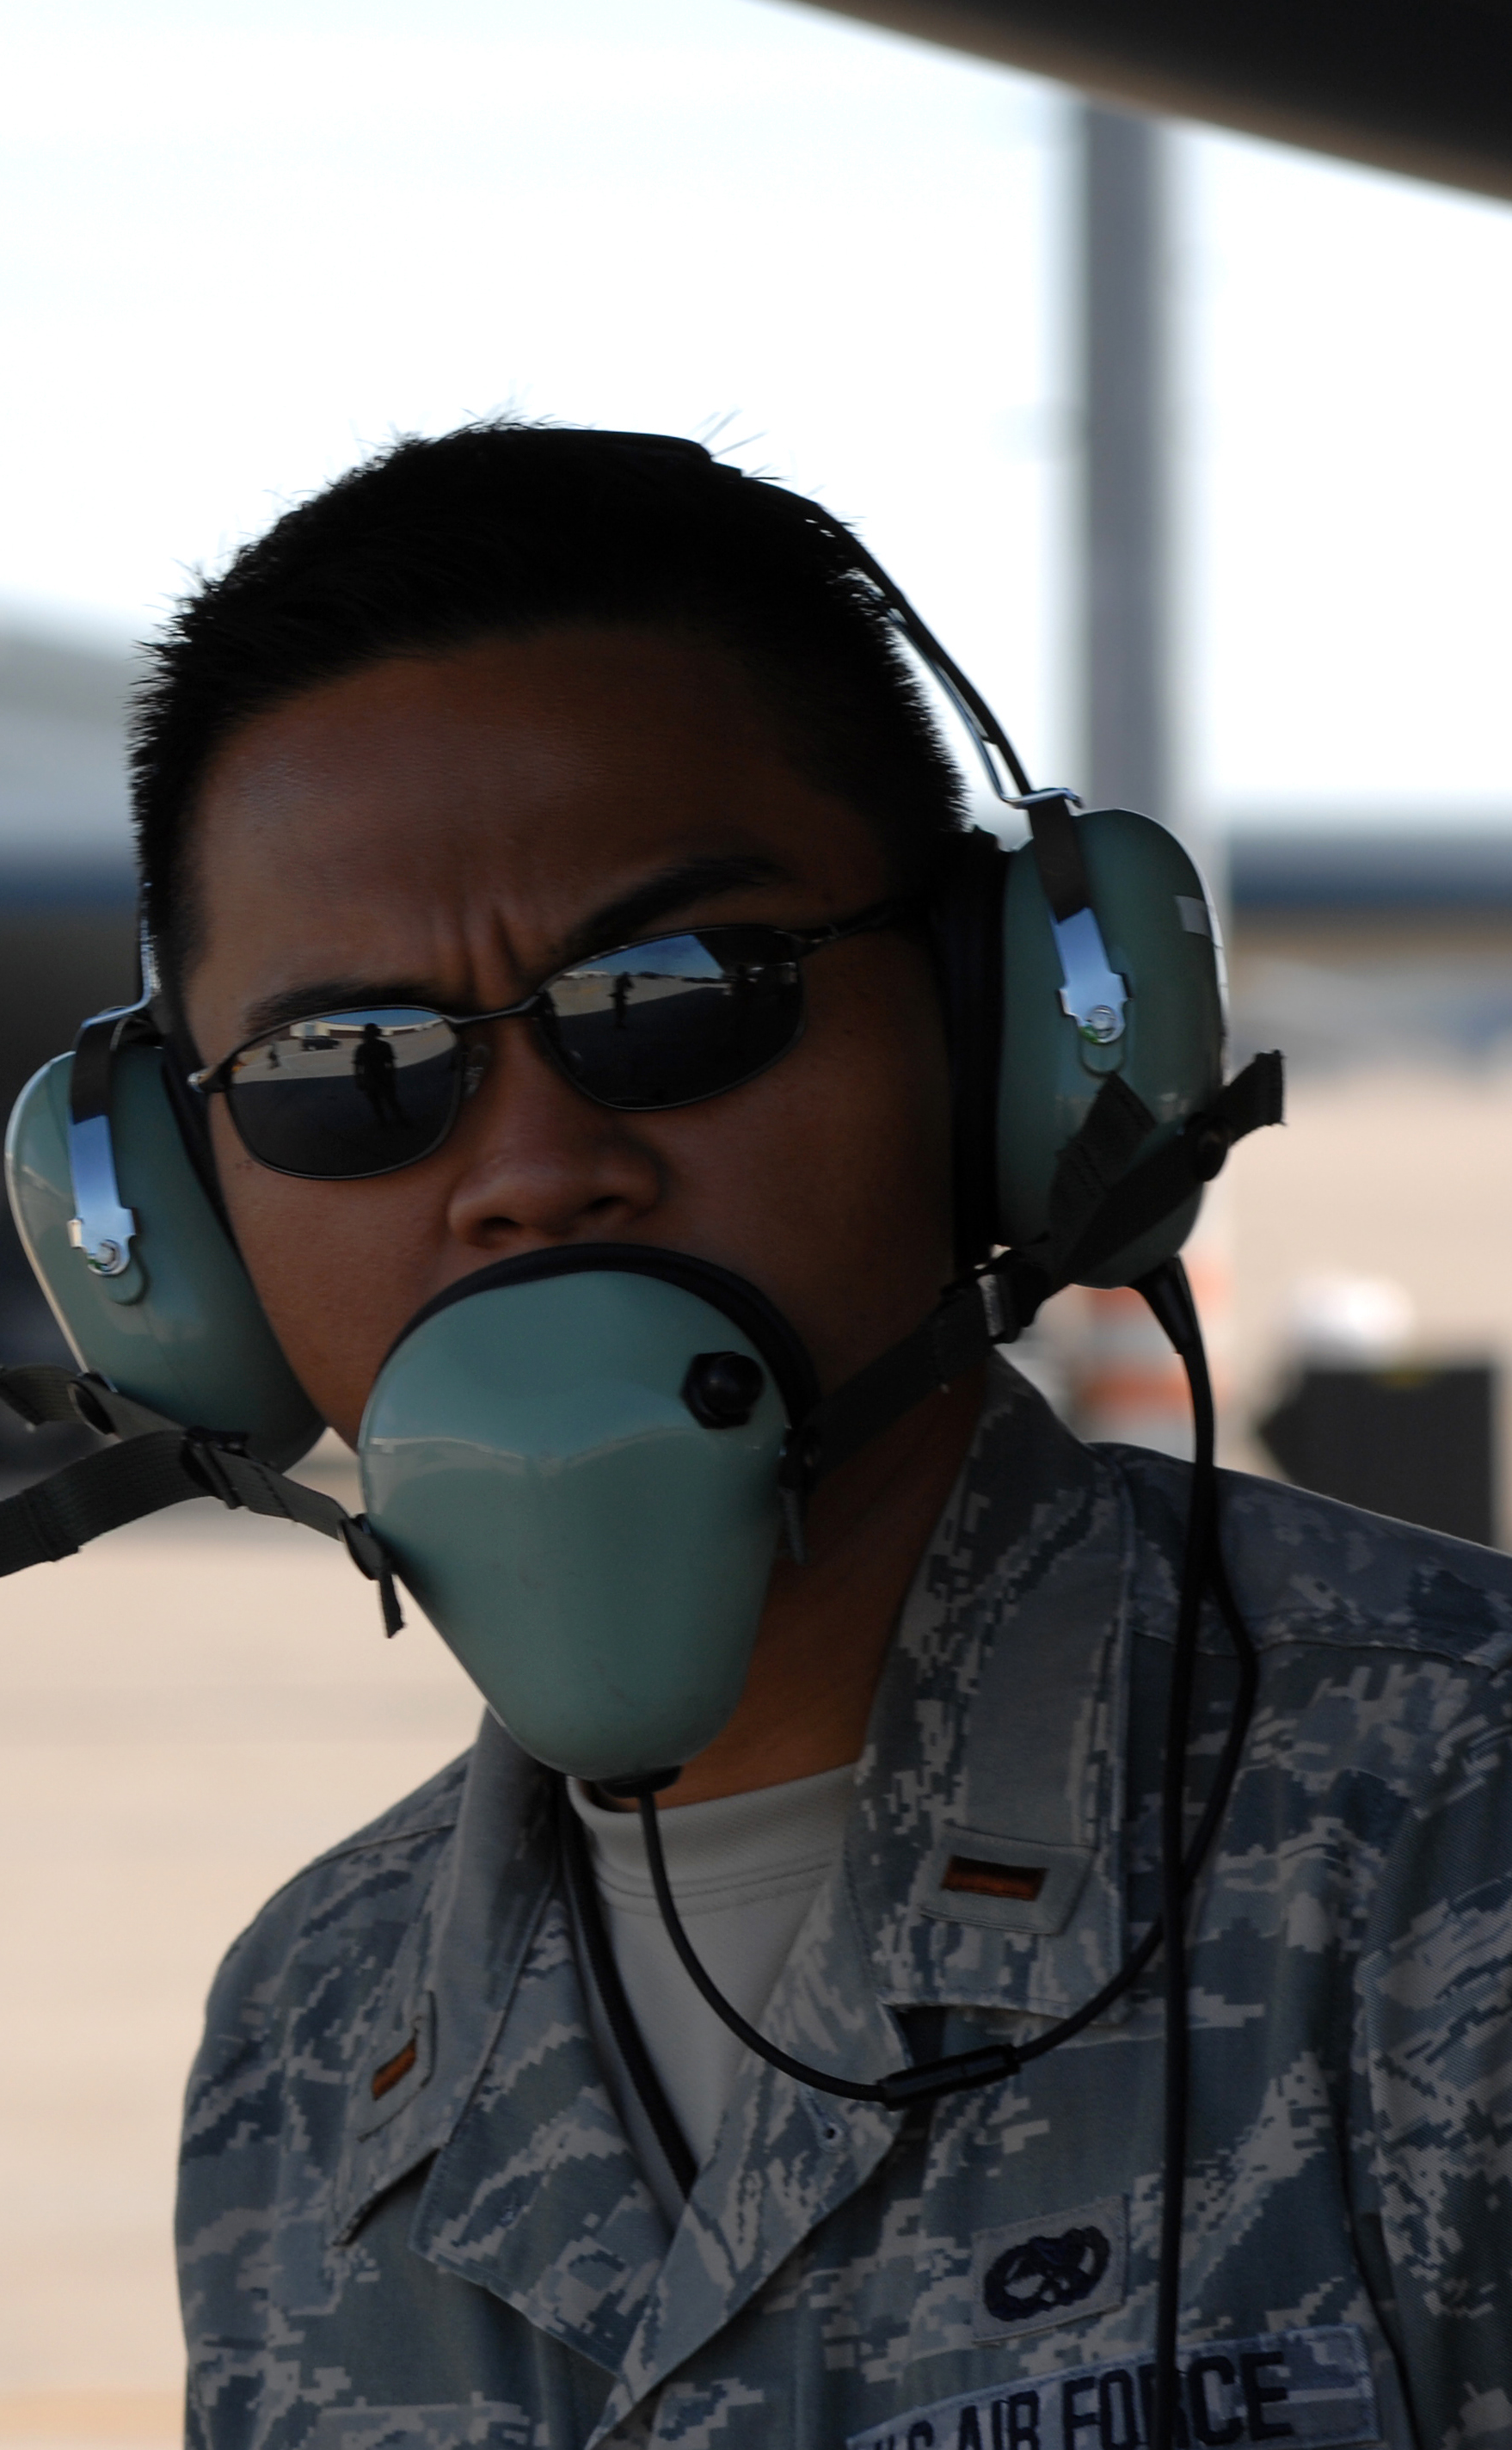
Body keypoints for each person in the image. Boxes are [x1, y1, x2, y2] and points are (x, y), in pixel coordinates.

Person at [145, 426, 1512, 2445]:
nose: (530, 1166)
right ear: (173, 1227)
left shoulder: (1447, 1834)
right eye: (345, 1071)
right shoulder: (306, 2029)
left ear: (1008, 1042)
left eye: (672, 990)